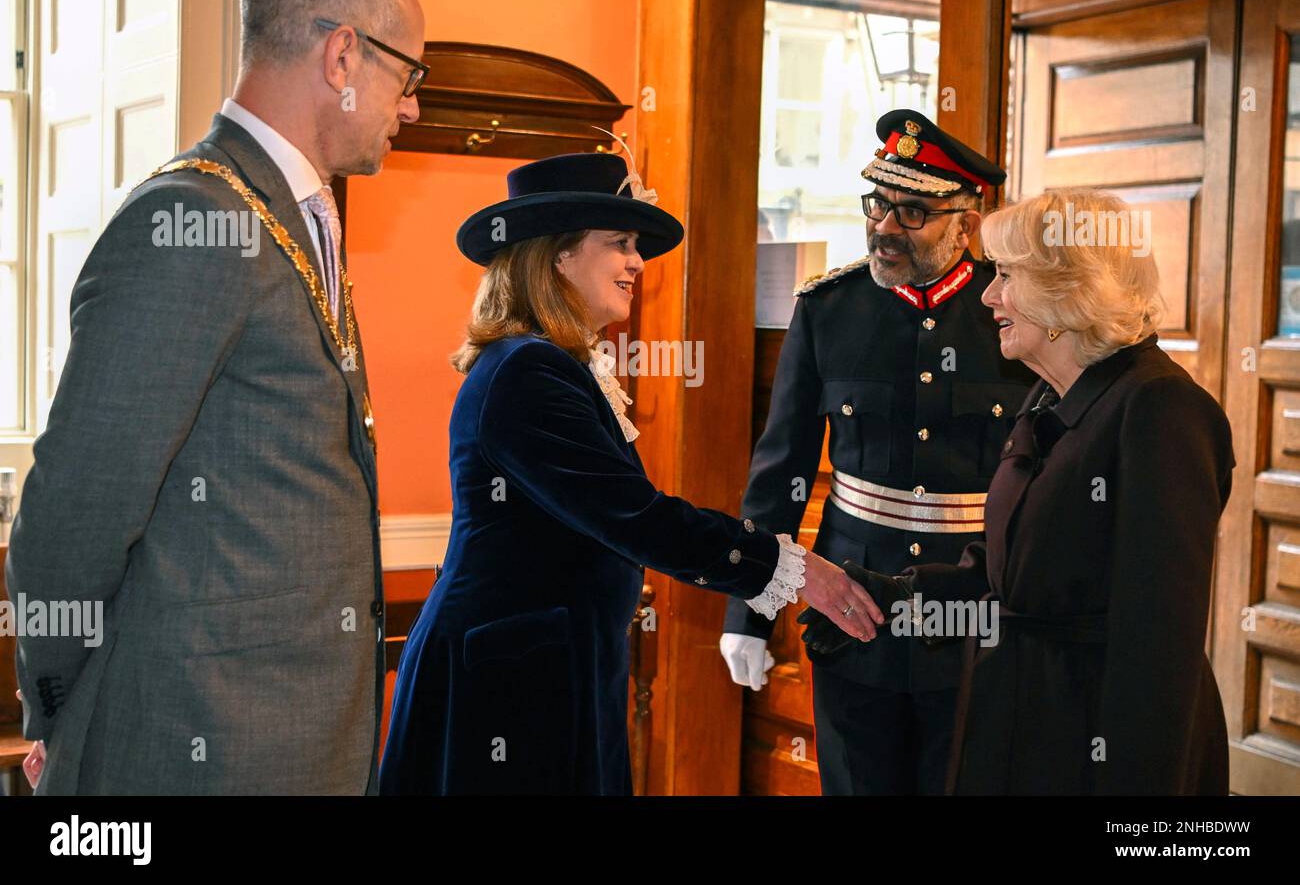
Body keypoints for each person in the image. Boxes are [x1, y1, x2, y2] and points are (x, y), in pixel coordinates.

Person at [6, 0, 425, 794]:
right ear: (343, 54)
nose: (412, 105)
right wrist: (59, 712)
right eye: (409, 73)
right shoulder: (192, 223)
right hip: (192, 752)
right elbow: (72, 516)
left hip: (282, 746)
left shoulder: (291, 213)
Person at [379, 150, 880, 794]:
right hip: (508, 680)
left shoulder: (553, 365)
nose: (637, 263)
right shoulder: (526, 372)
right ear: (558, 254)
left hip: (549, 666)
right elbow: (638, 519)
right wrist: (792, 569)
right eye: (619, 243)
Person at [801, 187, 1233, 794]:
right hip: (1022, 721)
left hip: (1096, 746)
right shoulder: (1051, 393)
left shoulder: (1161, 409)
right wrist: (890, 598)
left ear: (1068, 286)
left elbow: (1160, 651)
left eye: (1006, 275)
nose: (989, 295)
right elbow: (1007, 577)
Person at [720, 110, 1035, 794]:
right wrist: (749, 610)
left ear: (966, 223)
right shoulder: (828, 309)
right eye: (879, 203)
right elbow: (783, 474)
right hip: (852, 612)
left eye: (913, 212)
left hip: (976, 621)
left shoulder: (1014, 314)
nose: (886, 227)